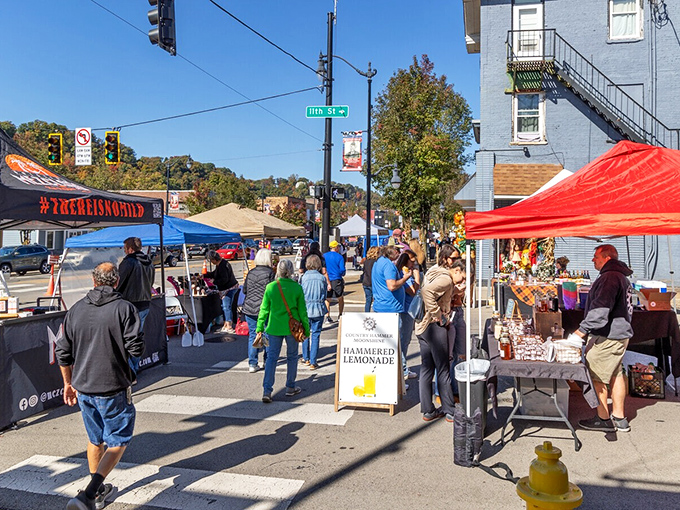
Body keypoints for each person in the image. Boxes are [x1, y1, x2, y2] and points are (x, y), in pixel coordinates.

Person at [56, 262, 144, 510]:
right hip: (112, 385)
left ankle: (96, 492)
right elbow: (136, 348)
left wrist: (67, 383)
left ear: (93, 281)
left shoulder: (75, 310)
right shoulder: (124, 309)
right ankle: (91, 492)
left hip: (83, 386)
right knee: (118, 441)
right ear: (116, 282)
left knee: (95, 440)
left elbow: (62, 351)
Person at [572, 245, 633, 433]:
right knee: (616, 374)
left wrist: (579, 333)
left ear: (606, 258)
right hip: (619, 334)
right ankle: (620, 418)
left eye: (596, 256)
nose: (593, 260)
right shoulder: (618, 276)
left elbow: (600, 311)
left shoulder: (610, 277)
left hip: (608, 336)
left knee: (596, 376)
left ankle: (603, 418)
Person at [415, 246, 462, 422]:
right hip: (434, 326)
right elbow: (427, 292)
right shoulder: (445, 277)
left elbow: (430, 290)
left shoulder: (433, 271)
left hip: (422, 326)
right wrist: (439, 315)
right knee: (442, 369)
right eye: (454, 258)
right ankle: (450, 410)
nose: (457, 260)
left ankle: (428, 410)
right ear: (445, 258)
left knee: (427, 368)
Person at [257, 259, 310, 403]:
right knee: (292, 357)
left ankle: (267, 390)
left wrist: (259, 327)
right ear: (291, 271)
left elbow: (264, 310)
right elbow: (303, 312)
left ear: (278, 270)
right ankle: (290, 386)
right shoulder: (297, 288)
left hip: (274, 327)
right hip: (292, 328)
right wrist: (306, 329)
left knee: (271, 359)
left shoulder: (271, 287)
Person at [116, 237, 154, 378]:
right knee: (137, 338)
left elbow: (118, 283)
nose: (124, 251)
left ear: (130, 249)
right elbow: (151, 283)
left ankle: (130, 371)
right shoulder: (149, 262)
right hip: (145, 303)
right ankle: (134, 368)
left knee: (125, 339)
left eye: (125, 248)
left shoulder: (128, 262)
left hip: (129, 304)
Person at [242, 248, 275, 373]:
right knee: (267, 334)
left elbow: (244, 290)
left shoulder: (251, 272)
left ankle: (252, 363)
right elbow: (273, 291)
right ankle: (267, 361)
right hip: (264, 308)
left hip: (249, 307)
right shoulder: (270, 273)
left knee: (253, 335)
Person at [395, 249, 420, 381]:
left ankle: (403, 367)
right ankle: (403, 368)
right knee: (404, 340)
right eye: (412, 261)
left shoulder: (402, 271)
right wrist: (416, 277)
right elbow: (412, 290)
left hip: (408, 308)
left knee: (405, 339)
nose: (414, 264)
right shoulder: (404, 272)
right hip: (406, 309)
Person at [299, 254, 328, 369]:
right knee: (316, 334)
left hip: (306, 307)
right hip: (318, 308)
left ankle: (305, 358)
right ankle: (313, 361)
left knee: (305, 334)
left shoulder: (303, 277)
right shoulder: (322, 278)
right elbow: (325, 294)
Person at [204, 250, 240, 334]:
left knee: (226, 306)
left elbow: (224, 279)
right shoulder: (221, 264)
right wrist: (206, 275)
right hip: (230, 287)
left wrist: (214, 282)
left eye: (211, 260)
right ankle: (226, 324)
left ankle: (229, 325)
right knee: (226, 306)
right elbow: (215, 274)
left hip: (229, 288)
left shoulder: (223, 266)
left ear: (214, 259)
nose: (211, 262)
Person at [323, 240, 346, 323]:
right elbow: (342, 269)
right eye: (338, 247)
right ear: (336, 247)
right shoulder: (339, 257)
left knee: (327, 298)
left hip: (327, 279)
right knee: (340, 297)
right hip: (337, 279)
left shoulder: (324, 256)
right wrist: (342, 273)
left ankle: (327, 316)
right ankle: (340, 315)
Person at [361, 246, 380, 312]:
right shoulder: (376, 262)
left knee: (368, 300)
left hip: (366, 282)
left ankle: (367, 313)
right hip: (373, 283)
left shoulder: (366, 261)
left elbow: (364, 271)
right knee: (376, 299)